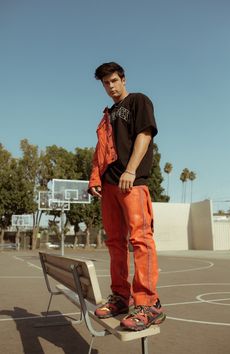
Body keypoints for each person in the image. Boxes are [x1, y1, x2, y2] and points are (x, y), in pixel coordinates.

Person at [88, 62, 165, 331]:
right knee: (115, 243)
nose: (110, 87)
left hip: (131, 181)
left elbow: (144, 134)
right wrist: (95, 178)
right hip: (109, 186)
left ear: (122, 78)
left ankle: (148, 303)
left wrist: (131, 169)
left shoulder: (138, 101)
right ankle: (121, 297)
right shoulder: (107, 114)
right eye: (105, 83)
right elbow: (102, 148)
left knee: (140, 239)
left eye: (113, 81)